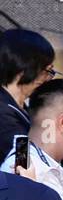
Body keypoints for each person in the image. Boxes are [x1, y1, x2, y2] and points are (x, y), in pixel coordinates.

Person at [0, 29, 55, 160]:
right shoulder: (4, 116)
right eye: (47, 70)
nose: (48, 78)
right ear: (23, 67)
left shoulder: (19, 108)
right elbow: (22, 162)